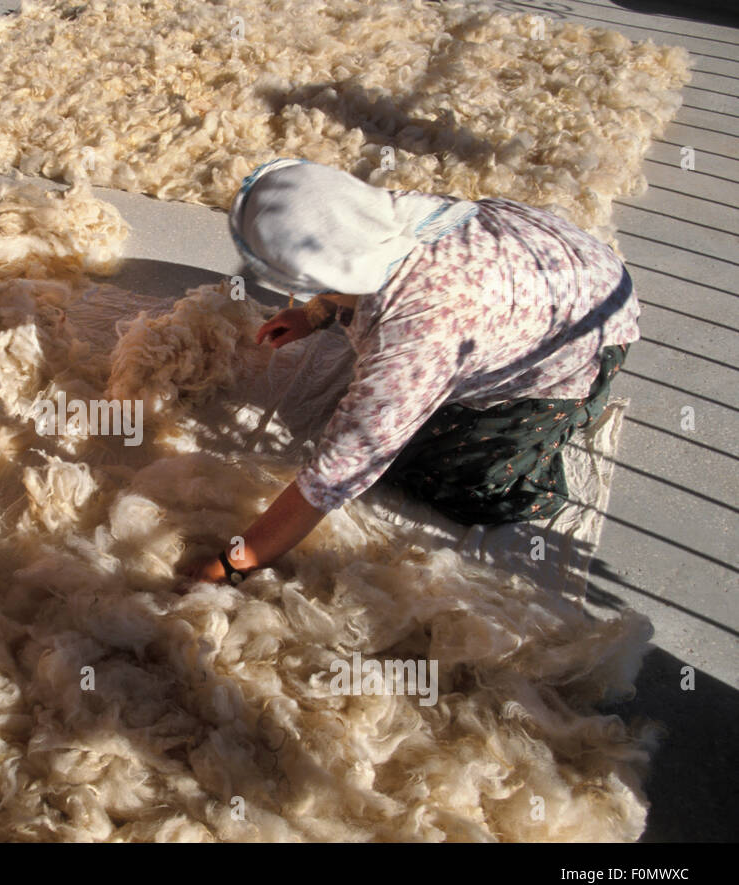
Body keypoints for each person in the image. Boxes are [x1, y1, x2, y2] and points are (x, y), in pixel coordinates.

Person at [187, 158, 639, 585]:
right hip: (569, 266)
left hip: (585, 339)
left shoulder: (418, 335)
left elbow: (336, 473)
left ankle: (555, 423)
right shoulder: (391, 214)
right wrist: (315, 313)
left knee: (439, 472)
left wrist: (234, 564)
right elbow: (343, 260)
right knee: (398, 389)